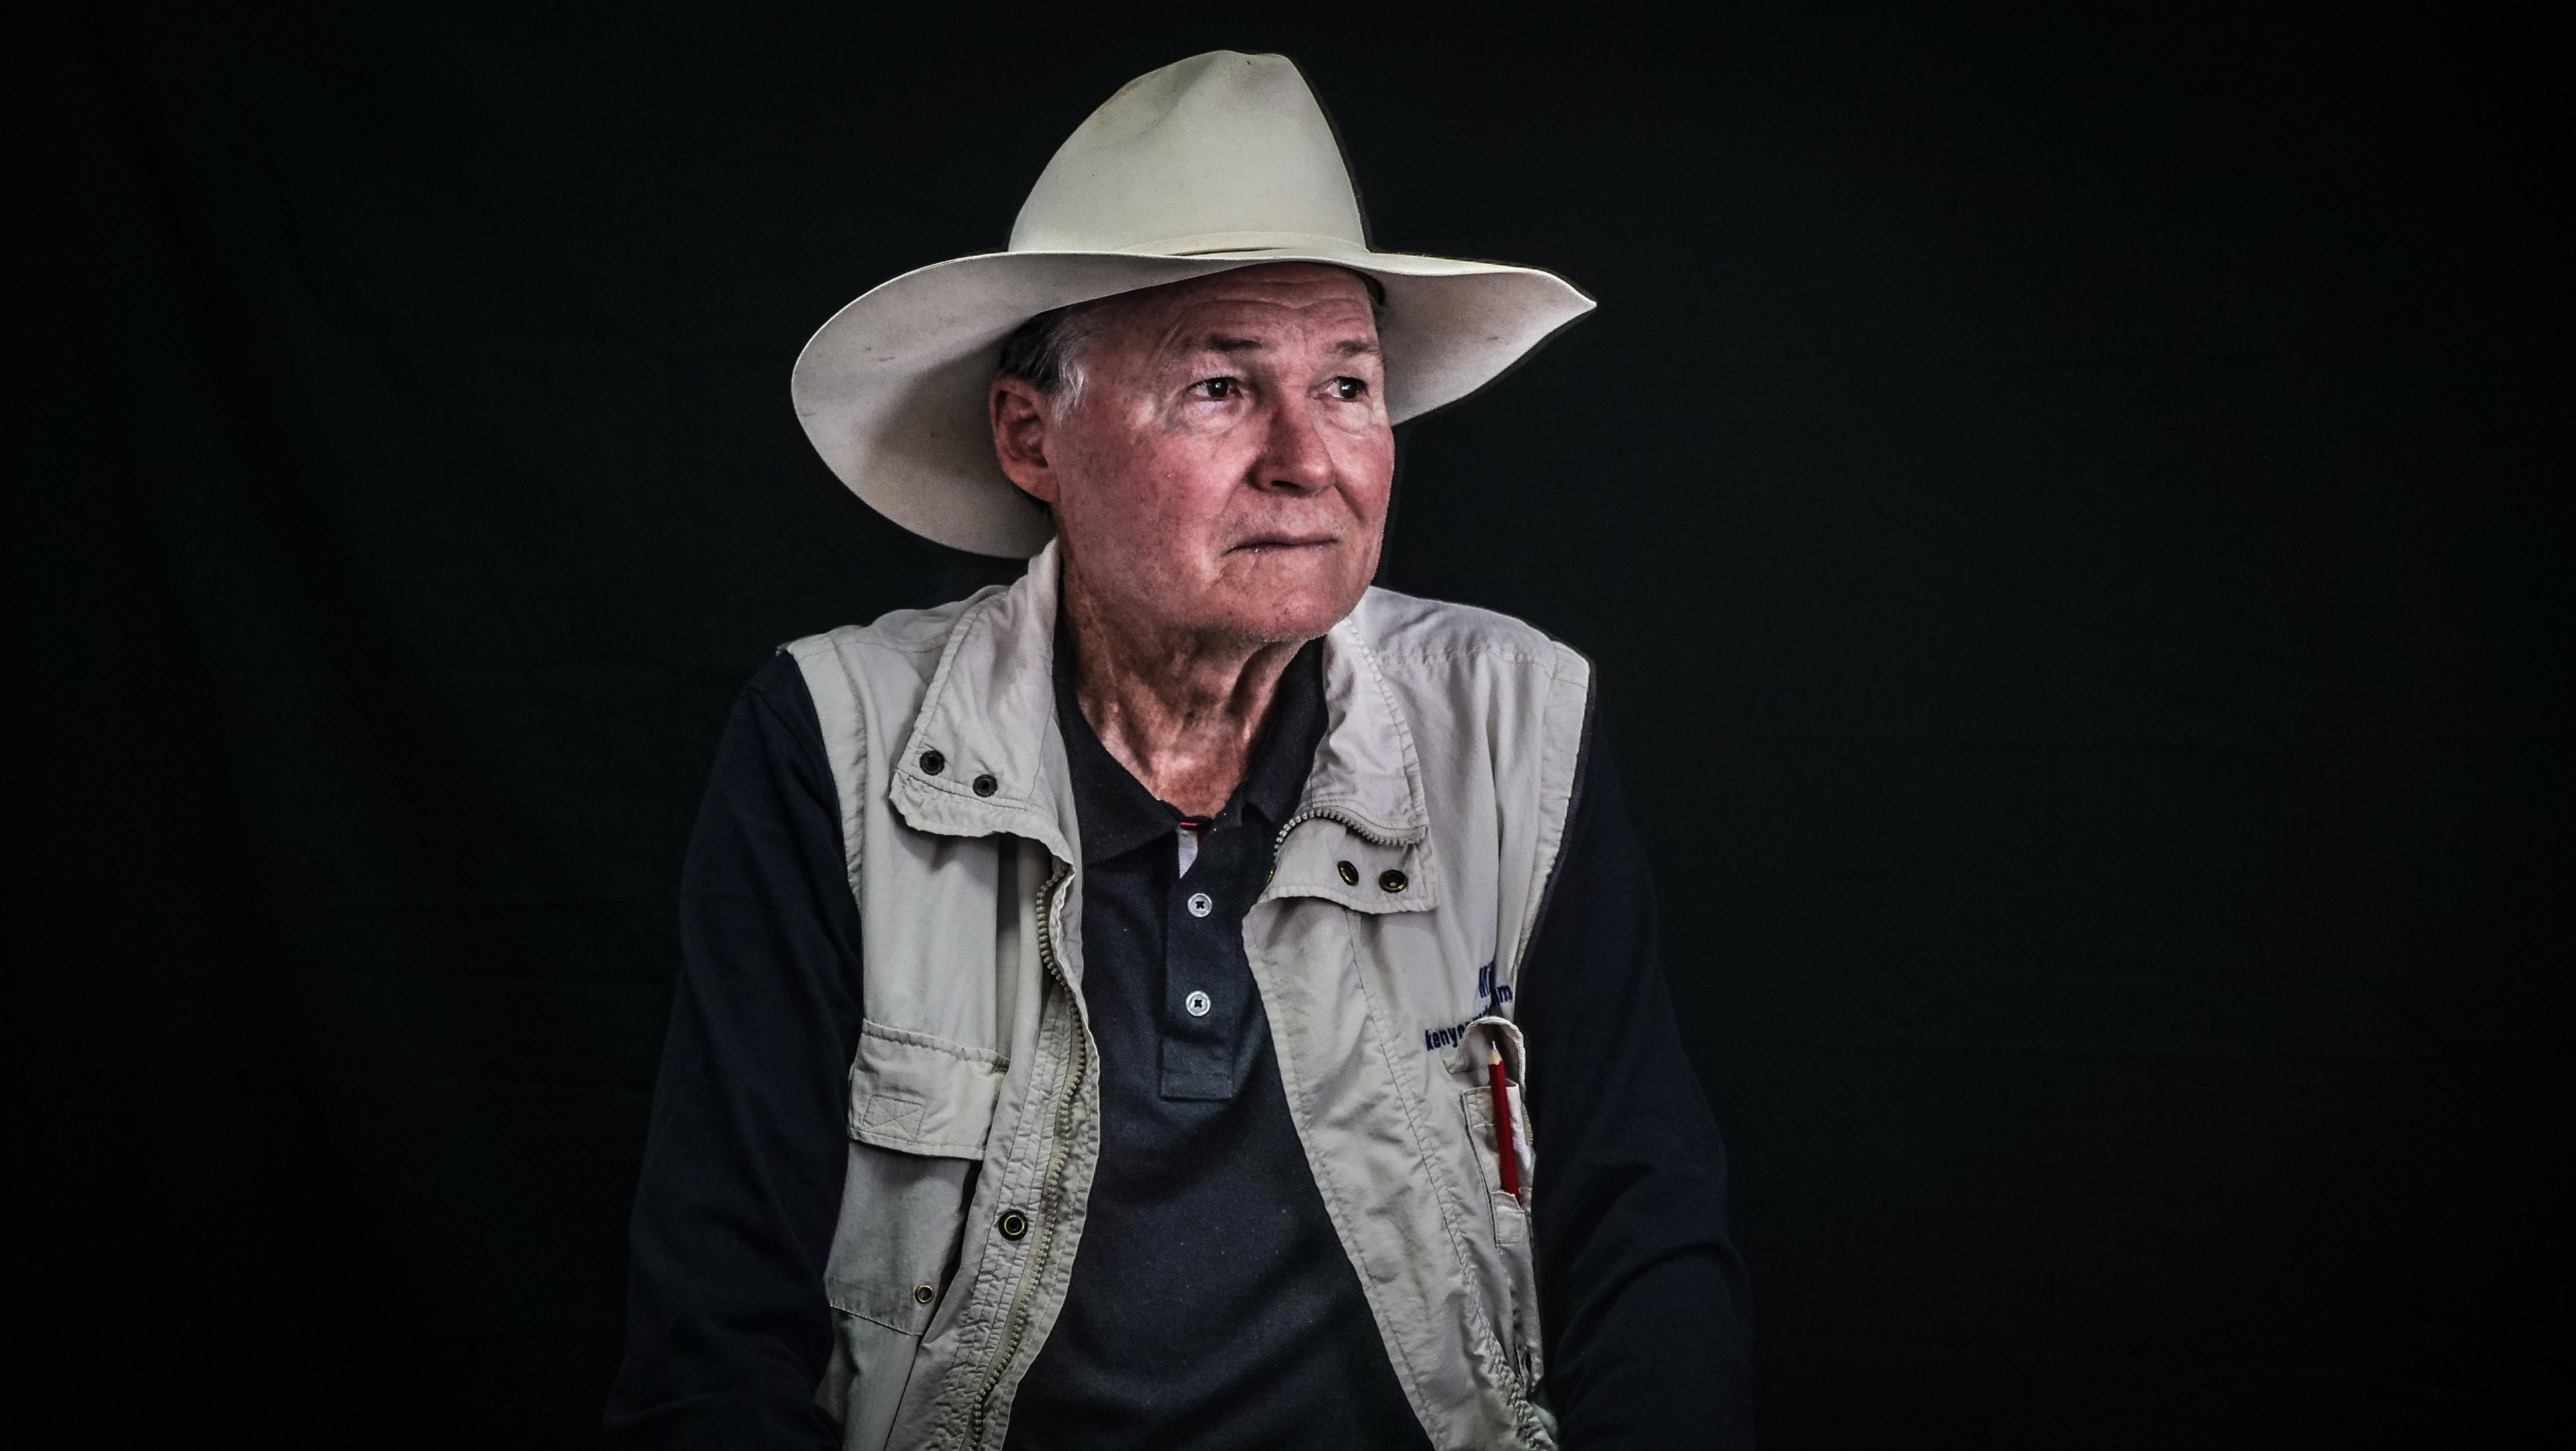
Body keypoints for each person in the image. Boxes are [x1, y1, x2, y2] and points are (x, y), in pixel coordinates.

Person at [607, 50, 1750, 1450]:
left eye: (1346, 385)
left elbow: (1645, 1233)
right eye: (1220, 385)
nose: (1305, 458)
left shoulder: (1515, 721)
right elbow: (715, 1330)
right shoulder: (834, 743)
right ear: (1033, 438)